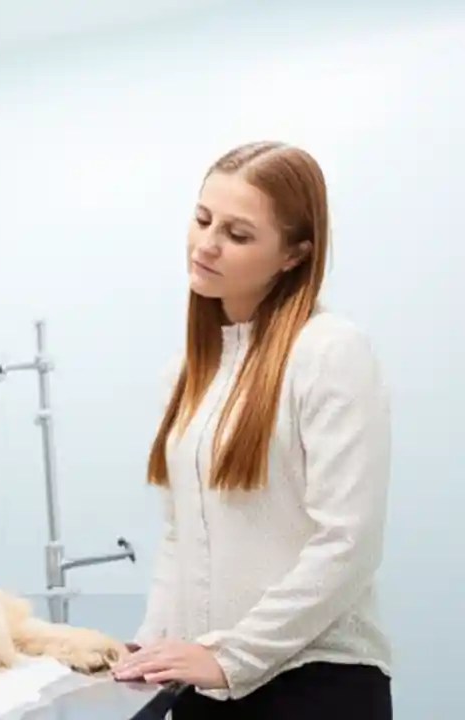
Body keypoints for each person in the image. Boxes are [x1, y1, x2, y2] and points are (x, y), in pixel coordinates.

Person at [110, 141, 393, 718]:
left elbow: (347, 542)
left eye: (239, 235)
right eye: (202, 219)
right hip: (207, 680)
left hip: (313, 681)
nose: (206, 245)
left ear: (294, 255)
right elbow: (178, 533)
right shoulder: (190, 373)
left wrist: (233, 656)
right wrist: (152, 644)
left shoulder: (329, 351)